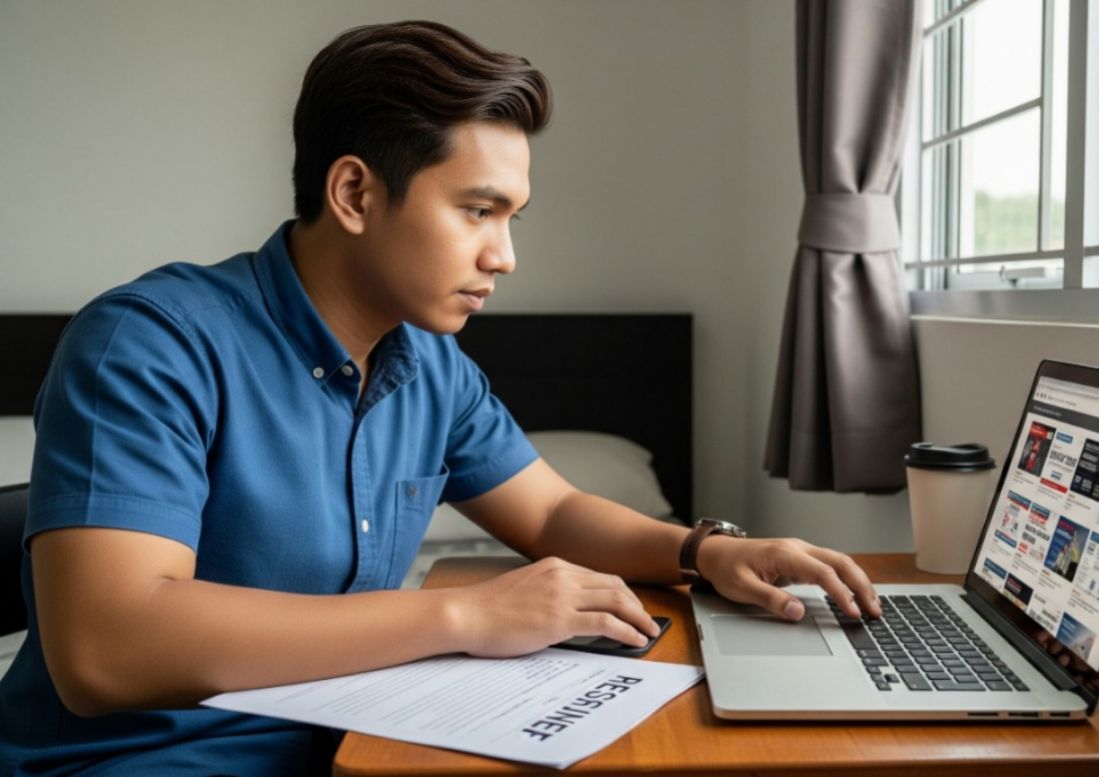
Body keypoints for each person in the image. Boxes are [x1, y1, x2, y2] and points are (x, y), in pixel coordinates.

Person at [0, 20, 881, 776]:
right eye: (477, 211)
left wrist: (705, 549)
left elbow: (552, 511)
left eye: (512, 218)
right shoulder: (150, 342)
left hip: (358, 742)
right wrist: (464, 612)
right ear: (354, 193)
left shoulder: (430, 362)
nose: (505, 256)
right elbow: (106, 649)